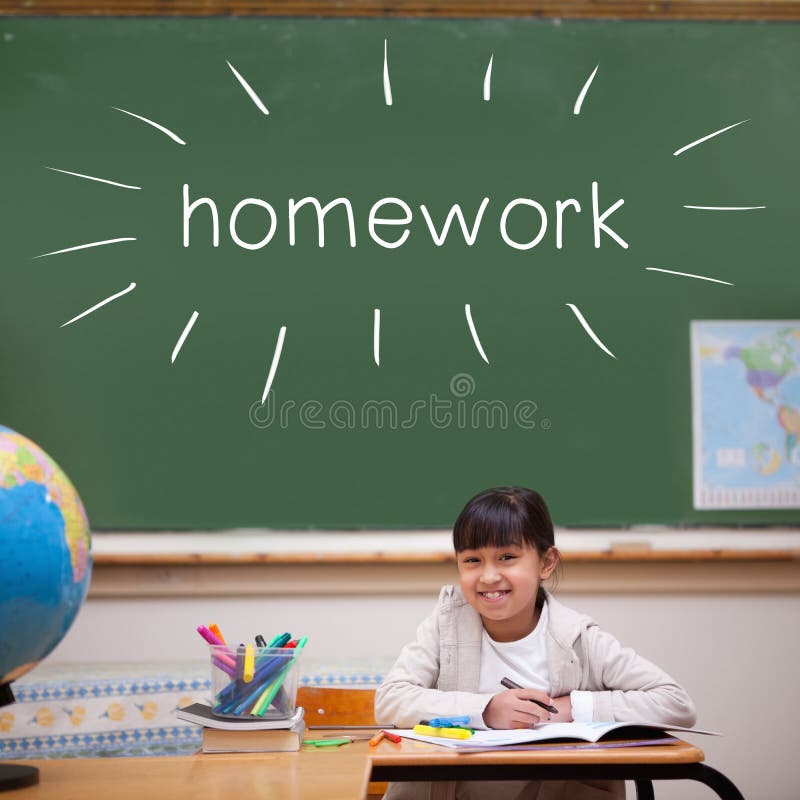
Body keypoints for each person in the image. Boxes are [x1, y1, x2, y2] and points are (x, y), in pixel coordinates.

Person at [374, 486, 696, 800]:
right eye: (472, 560)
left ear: (546, 563)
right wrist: (486, 710)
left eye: (507, 557)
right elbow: (391, 699)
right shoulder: (446, 623)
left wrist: (574, 709)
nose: (488, 576)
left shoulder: (578, 638)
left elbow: (675, 703)